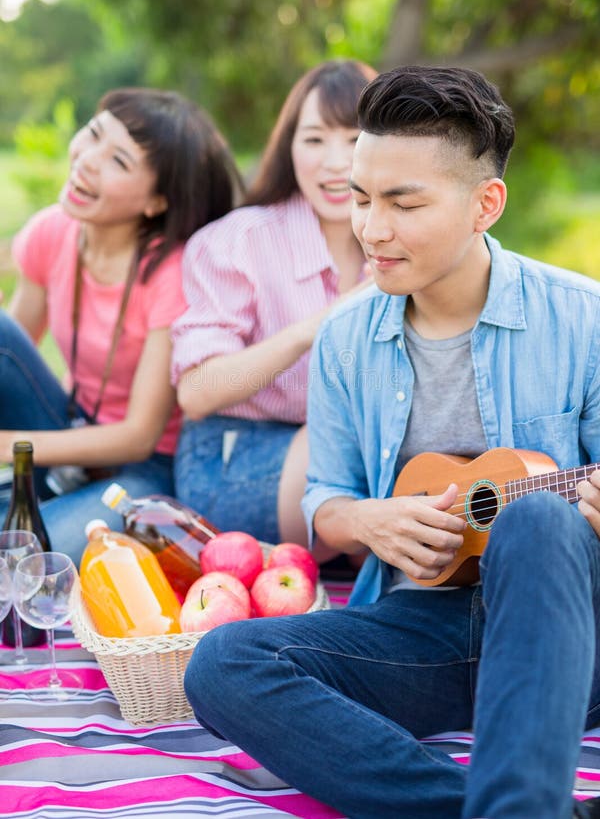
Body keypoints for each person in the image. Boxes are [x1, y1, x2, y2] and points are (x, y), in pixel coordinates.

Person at [183, 66, 600, 819]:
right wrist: (368, 521)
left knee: (539, 519)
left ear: (485, 204)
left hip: (569, 636)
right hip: (425, 634)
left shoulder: (582, 318)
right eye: (361, 198)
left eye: (404, 204)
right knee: (222, 662)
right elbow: (326, 500)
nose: (372, 230)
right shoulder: (346, 337)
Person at [0, 87, 241, 565]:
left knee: (20, 562)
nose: (88, 161)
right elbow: (11, 354)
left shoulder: (171, 275)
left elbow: (139, 435)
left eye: (118, 161)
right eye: (93, 135)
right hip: (68, 433)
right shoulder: (52, 231)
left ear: (156, 202)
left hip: (141, 470)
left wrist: (13, 446)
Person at [171, 59, 376, 551]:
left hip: (361, 453)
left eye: (355, 139)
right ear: (289, 146)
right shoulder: (237, 242)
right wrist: (319, 325)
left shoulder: (405, 243)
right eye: (315, 139)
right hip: (234, 456)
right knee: (359, 450)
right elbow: (196, 393)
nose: (335, 162)